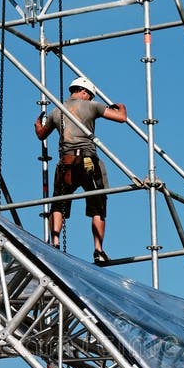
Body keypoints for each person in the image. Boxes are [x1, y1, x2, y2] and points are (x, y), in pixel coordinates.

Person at [34, 76, 127, 265]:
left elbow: (41, 134)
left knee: (58, 202)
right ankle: (98, 250)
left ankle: (55, 243)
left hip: (66, 163)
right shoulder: (92, 106)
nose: (90, 98)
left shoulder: (55, 111)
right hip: (88, 161)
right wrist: (121, 106)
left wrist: (37, 126)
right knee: (97, 204)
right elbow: (121, 118)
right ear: (84, 92)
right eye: (90, 95)